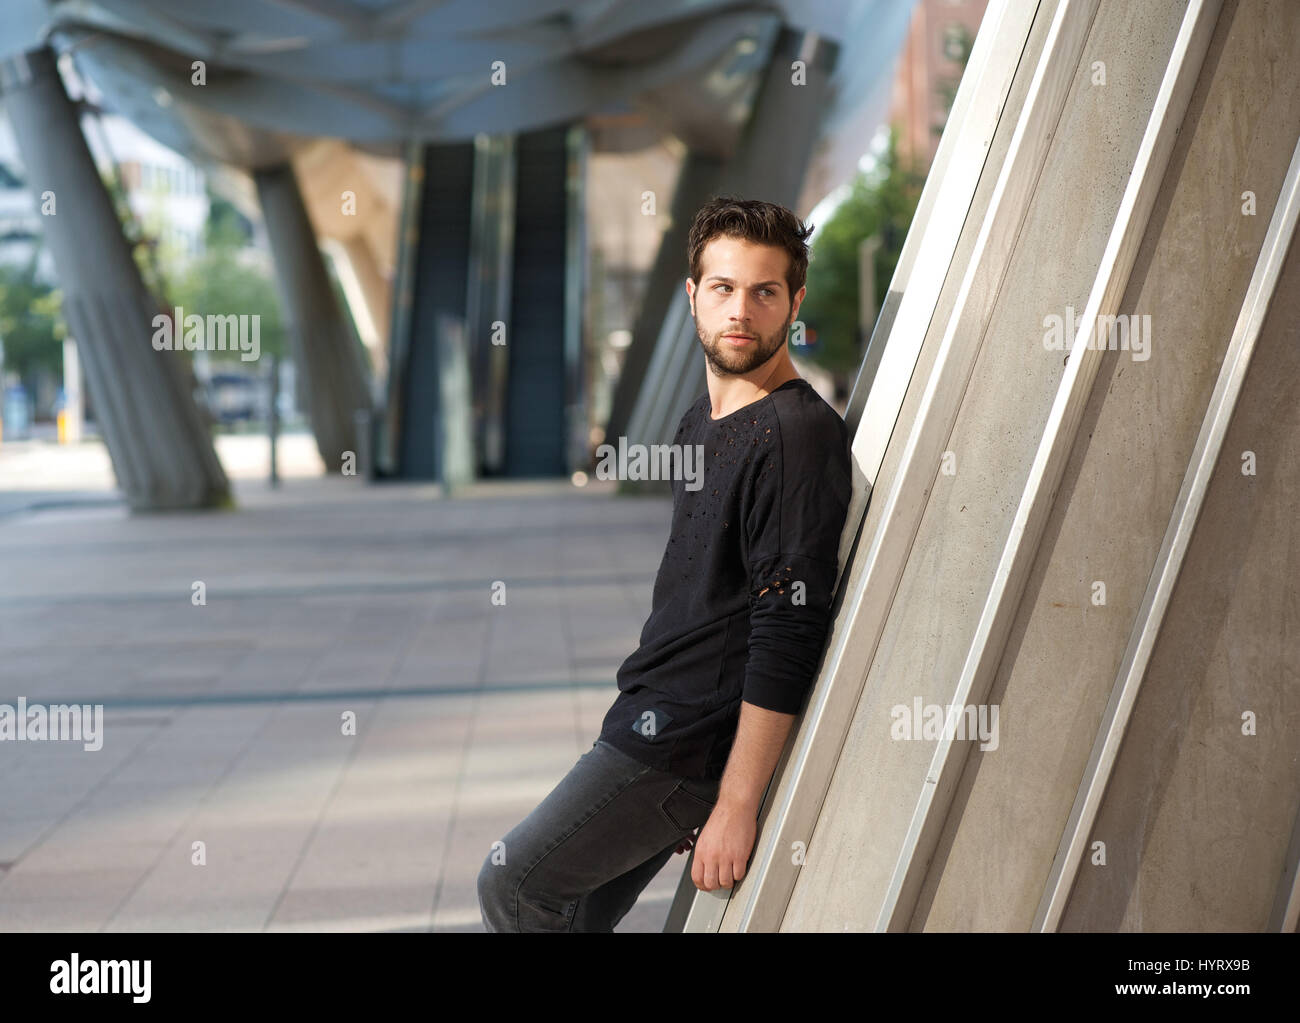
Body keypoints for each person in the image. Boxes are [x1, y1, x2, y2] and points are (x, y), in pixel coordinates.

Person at [477, 195, 853, 932]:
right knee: (574, 913)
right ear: (693, 296)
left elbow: (788, 626)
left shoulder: (798, 433)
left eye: (764, 291)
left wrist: (736, 800)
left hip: (684, 744)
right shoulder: (700, 421)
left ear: (793, 301)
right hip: (648, 720)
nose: (741, 310)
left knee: (513, 885)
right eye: (723, 288)